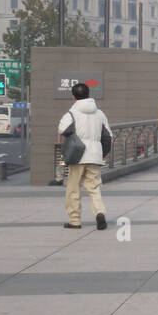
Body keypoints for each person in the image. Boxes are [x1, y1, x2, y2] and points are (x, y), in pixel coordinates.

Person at [57, 82, 112, 230]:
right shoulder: (100, 114)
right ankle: (99, 213)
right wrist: (102, 153)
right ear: (89, 94)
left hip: (77, 156)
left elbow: (63, 129)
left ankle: (74, 220)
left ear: (74, 97)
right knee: (94, 187)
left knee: (73, 188)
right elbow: (107, 137)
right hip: (95, 155)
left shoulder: (72, 113)